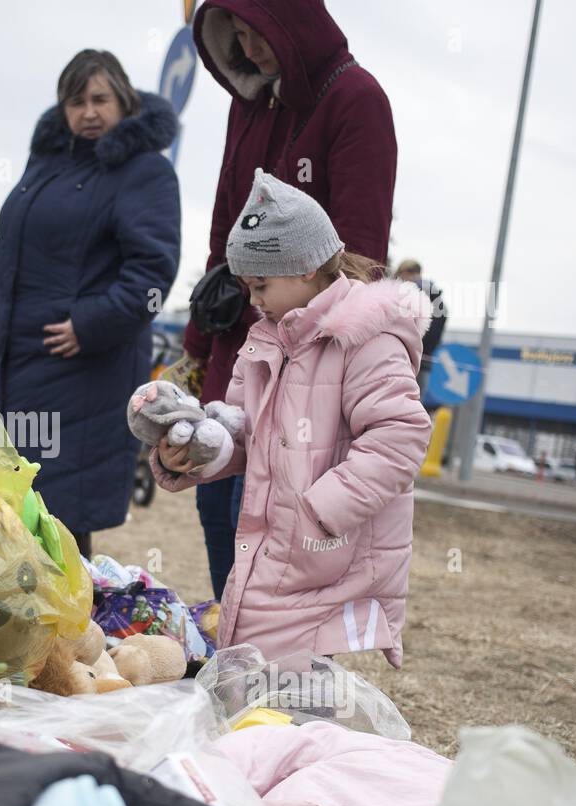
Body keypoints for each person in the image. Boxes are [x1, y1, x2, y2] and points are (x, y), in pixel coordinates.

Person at [150, 170, 431, 668]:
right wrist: (194, 453)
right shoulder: (266, 337)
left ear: (305, 269)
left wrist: (319, 509)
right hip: (271, 547)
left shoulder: (368, 338)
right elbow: (243, 431)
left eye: (260, 285)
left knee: (293, 683)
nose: (253, 301)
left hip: (324, 553)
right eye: (246, 287)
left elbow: (400, 436)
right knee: (255, 673)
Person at [185, 0, 397, 600]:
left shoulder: (357, 100)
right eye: (239, 36)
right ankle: (239, 676)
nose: (248, 50)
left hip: (306, 372)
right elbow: (223, 238)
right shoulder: (249, 103)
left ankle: (286, 688)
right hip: (235, 359)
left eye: (259, 33)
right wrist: (197, 348)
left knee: (280, 553)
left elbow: (361, 257)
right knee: (218, 517)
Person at [0, 50, 181, 557]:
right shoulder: (45, 163)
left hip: (82, 369)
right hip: (16, 362)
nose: (88, 112)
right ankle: (14, 631)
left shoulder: (144, 170)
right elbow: (9, 244)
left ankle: (65, 631)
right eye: (75, 101)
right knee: (5, 507)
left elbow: (152, 271)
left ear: (124, 101)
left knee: (60, 513)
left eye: (99, 99)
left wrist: (89, 325)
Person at [395, 259, 447, 396]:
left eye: (400, 274)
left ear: (406, 273)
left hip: (402, 358)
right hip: (424, 362)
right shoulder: (437, 299)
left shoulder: (408, 294)